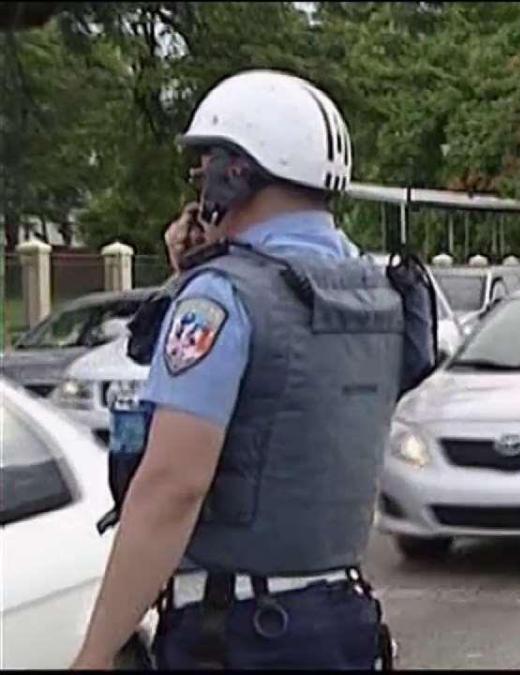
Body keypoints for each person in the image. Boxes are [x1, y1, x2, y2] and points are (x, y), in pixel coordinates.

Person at [72, 69, 426, 669]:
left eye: (207, 163)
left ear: (235, 174)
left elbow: (172, 488)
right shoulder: (380, 290)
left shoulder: (221, 300)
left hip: (236, 632)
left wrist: (96, 652)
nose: (200, 180)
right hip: (342, 617)